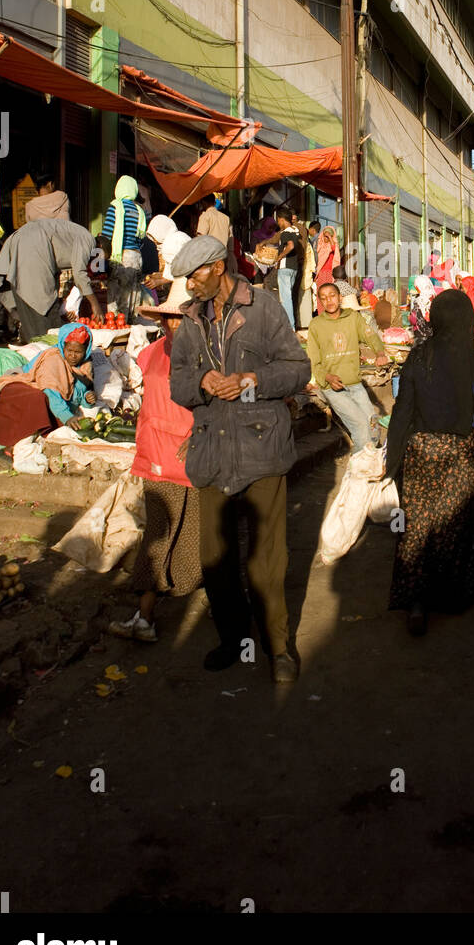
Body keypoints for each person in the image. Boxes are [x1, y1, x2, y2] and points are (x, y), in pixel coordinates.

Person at [168, 235, 311, 678]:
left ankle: (278, 647)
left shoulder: (264, 307)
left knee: (267, 559)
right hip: (211, 451)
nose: (190, 285)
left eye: (195, 275)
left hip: (262, 448)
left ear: (217, 267)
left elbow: (298, 369)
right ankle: (234, 639)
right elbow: (177, 383)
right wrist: (203, 382)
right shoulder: (190, 321)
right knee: (216, 557)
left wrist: (252, 379)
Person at [386, 288, 474, 634]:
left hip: (421, 451)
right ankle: (452, 596)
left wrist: (391, 461)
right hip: (459, 454)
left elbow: (402, 413)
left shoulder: (418, 357)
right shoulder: (472, 361)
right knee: (455, 525)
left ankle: (417, 601)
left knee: (417, 526)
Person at [109, 281, 201, 643]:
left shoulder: (206, 355)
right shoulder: (151, 353)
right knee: (161, 531)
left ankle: (164, 602)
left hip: (192, 455)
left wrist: (200, 434)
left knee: (187, 530)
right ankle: (147, 612)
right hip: (159, 454)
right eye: (170, 320)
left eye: (182, 319)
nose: (174, 326)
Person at [0, 321, 95, 448]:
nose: (73, 356)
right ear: (63, 346)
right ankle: (13, 445)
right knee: (39, 400)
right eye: (69, 350)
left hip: (46, 393)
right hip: (23, 386)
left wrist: (87, 398)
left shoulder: (84, 366)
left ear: (86, 351)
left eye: (78, 352)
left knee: (48, 410)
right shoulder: (53, 359)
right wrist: (67, 417)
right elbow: (51, 392)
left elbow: (76, 393)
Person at [306, 283, 388, 452]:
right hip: (332, 388)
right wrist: (328, 377)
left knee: (373, 427)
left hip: (355, 385)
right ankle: (359, 471)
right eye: (324, 298)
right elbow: (314, 362)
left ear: (340, 298)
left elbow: (371, 337)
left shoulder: (353, 318)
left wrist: (380, 353)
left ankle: (366, 465)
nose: (329, 300)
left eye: (332, 296)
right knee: (359, 426)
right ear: (320, 302)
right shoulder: (316, 325)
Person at [0, 218, 101, 341]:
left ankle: (30, 341)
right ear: (100, 247)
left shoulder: (72, 233)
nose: (98, 262)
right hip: (34, 245)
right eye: (101, 257)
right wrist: (95, 305)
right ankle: (43, 347)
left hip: (20, 238)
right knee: (45, 310)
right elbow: (79, 273)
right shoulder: (88, 238)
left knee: (27, 301)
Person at [101, 175, 146, 322]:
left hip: (121, 257)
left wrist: (102, 261)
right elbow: (141, 239)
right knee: (132, 297)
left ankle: (117, 326)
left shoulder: (116, 207)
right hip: (136, 258)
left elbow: (107, 236)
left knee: (116, 298)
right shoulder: (139, 211)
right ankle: (131, 326)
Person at [274, 207, 304, 328]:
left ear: (281, 219)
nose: (278, 223)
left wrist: (280, 256)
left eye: (278, 220)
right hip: (294, 267)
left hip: (285, 267)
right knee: (289, 297)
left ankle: (289, 327)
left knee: (285, 298)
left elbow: (290, 246)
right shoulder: (296, 231)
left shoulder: (285, 232)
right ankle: (289, 324)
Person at [195, 195, 236, 273]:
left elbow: (200, 239)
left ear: (203, 203)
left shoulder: (205, 216)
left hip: (210, 257)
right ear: (214, 203)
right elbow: (231, 241)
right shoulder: (226, 218)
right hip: (224, 257)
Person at [314, 224, 339, 291]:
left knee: (329, 291)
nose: (326, 238)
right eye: (325, 236)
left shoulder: (332, 246)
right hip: (321, 272)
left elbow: (334, 248)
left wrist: (330, 237)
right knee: (321, 291)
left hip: (330, 272)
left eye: (329, 237)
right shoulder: (320, 245)